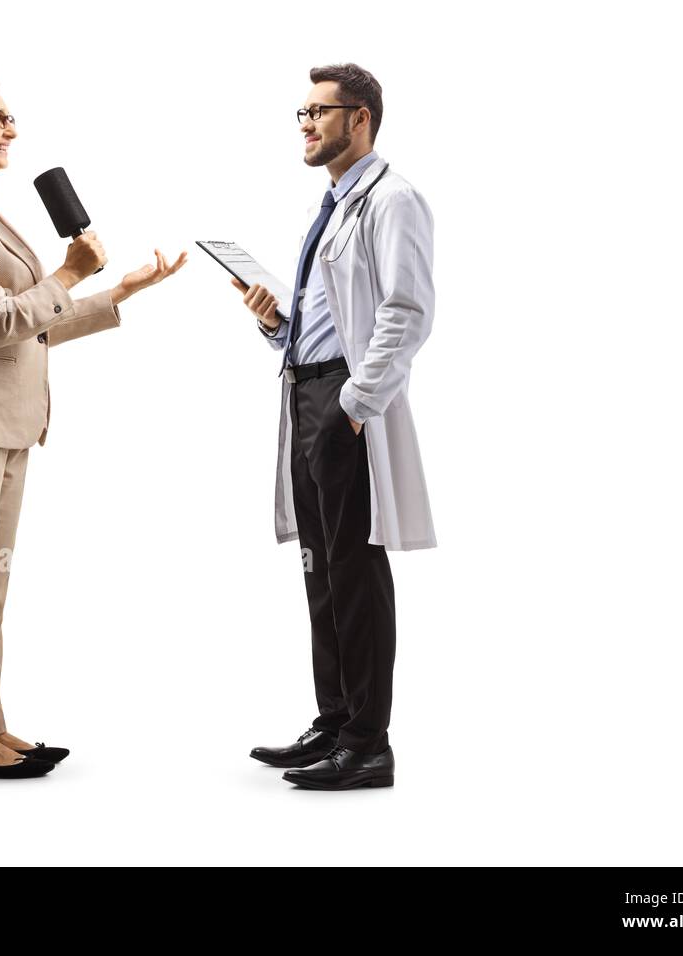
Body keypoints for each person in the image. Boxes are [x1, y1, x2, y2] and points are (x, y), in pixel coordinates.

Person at [0, 76, 186, 780]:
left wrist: (117, 291)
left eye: (11, 117)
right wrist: (69, 270)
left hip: (12, 421)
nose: (12, 129)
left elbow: (33, 325)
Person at [231, 63, 436, 790]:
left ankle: (368, 742)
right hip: (306, 392)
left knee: (354, 567)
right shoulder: (332, 206)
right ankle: (333, 721)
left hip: (344, 404)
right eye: (302, 113)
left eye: (321, 112)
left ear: (362, 119)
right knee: (320, 568)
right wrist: (276, 325)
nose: (307, 124)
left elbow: (406, 315)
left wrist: (354, 405)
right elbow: (329, 322)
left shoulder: (394, 200)